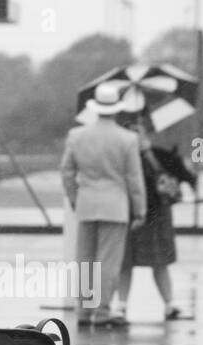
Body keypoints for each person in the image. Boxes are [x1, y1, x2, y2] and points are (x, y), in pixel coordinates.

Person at [60, 83, 147, 328]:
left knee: (85, 259)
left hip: (87, 202)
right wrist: (139, 208)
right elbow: (134, 177)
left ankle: (84, 310)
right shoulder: (128, 139)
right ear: (117, 109)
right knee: (108, 261)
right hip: (115, 205)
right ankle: (103, 310)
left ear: (95, 108)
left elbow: (67, 171)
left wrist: (74, 196)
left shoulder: (77, 136)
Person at [116, 116, 197, 321]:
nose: (135, 136)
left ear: (146, 133)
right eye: (131, 131)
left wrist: (148, 153)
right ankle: (121, 306)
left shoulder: (161, 155)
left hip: (156, 214)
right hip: (129, 213)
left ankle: (170, 305)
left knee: (160, 262)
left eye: (139, 131)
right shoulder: (120, 158)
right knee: (125, 262)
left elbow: (186, 176)